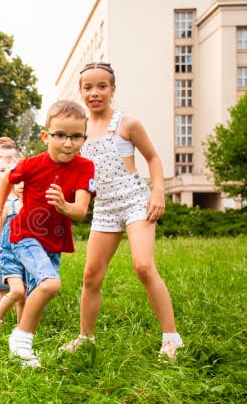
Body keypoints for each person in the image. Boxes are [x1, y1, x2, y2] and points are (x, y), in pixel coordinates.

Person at [61, 62, 184, 361]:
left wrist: (158, 191)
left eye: (102, 86)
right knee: (91, 275)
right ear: (81, 92)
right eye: (88, 87)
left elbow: (153, 158)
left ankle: (171, 338)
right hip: (104, 207)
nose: (94, 93)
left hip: (134, 201)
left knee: (143, 265)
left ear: (112, 89)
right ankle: (85, 338)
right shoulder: (79, 131)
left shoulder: (127, 124)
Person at [0, 100, 96, 367]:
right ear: (45, 135)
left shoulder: (85, 167)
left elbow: (80, 211)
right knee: (51, 283)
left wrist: (64, 206)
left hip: (54, 243)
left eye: (76, 136)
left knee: (38, 295)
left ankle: (24, 352)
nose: (68, 143)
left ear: (84, 138)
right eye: (60, 135)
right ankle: (20, 340)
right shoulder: (31, 164)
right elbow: (8, 178)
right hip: (25, 235)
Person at [0, 178, 26, 334]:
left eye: (27, 183)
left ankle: (21, 330)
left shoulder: (35, 210)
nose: (22, 186)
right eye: (19, 183)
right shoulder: (9, 208)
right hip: (10, 257)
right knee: (17, 291)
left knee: (23, 296)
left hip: (28, 259)